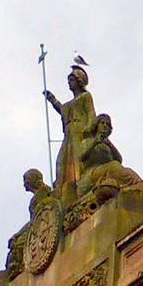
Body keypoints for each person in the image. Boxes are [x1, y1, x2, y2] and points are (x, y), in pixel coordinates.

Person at [44, 66, 96, 202]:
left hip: (80, 131)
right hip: (69, 134)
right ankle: (64, 187)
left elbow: (91, 114)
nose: (69, 83)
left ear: (79, 81)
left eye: (71, 80)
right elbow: (63, 110)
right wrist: (52, 99)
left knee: (78, 159)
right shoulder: (69, 104)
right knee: (62, 161)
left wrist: (90, 129)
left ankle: (79, 184)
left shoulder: (85, 96)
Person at [77, 113, 143, 200]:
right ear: (96, 125)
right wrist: (95, 142)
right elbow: (81, 157)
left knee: (123, 168)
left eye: (107, 124)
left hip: (107, 170)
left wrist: (109, 144)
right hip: (91, 174)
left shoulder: (107, 144)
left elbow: (119, 159)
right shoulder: (87, 141)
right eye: (102, 123)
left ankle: (138, 184)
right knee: (113, 166)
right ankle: (135, 183)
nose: (105, 126)